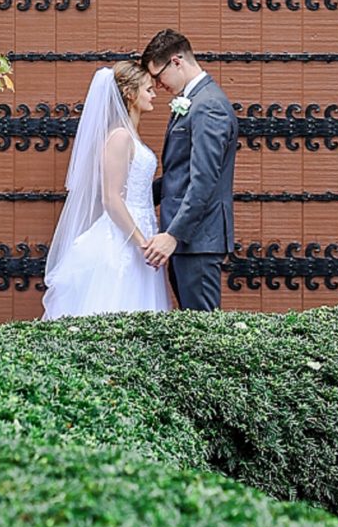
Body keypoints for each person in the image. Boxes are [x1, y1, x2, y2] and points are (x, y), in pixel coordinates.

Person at [41, 61, 172, 319]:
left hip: (141, 229)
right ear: (130, 94)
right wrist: (142, 243)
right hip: (125, 238)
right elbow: (111, 199)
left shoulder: (130, 135)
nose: (154, 94)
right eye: (148, 89)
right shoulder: (120, 137)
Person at [138, 29, 238, 312]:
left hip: (198, 241)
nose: (158, 86)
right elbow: (177, 177)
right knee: (191, 328)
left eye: (158, 77)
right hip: (188, 241)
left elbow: (203, 181)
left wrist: (174, 235)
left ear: (177, 61)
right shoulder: (195, 102)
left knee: (203, 333)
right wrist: (134, 195)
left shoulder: (209, 107)